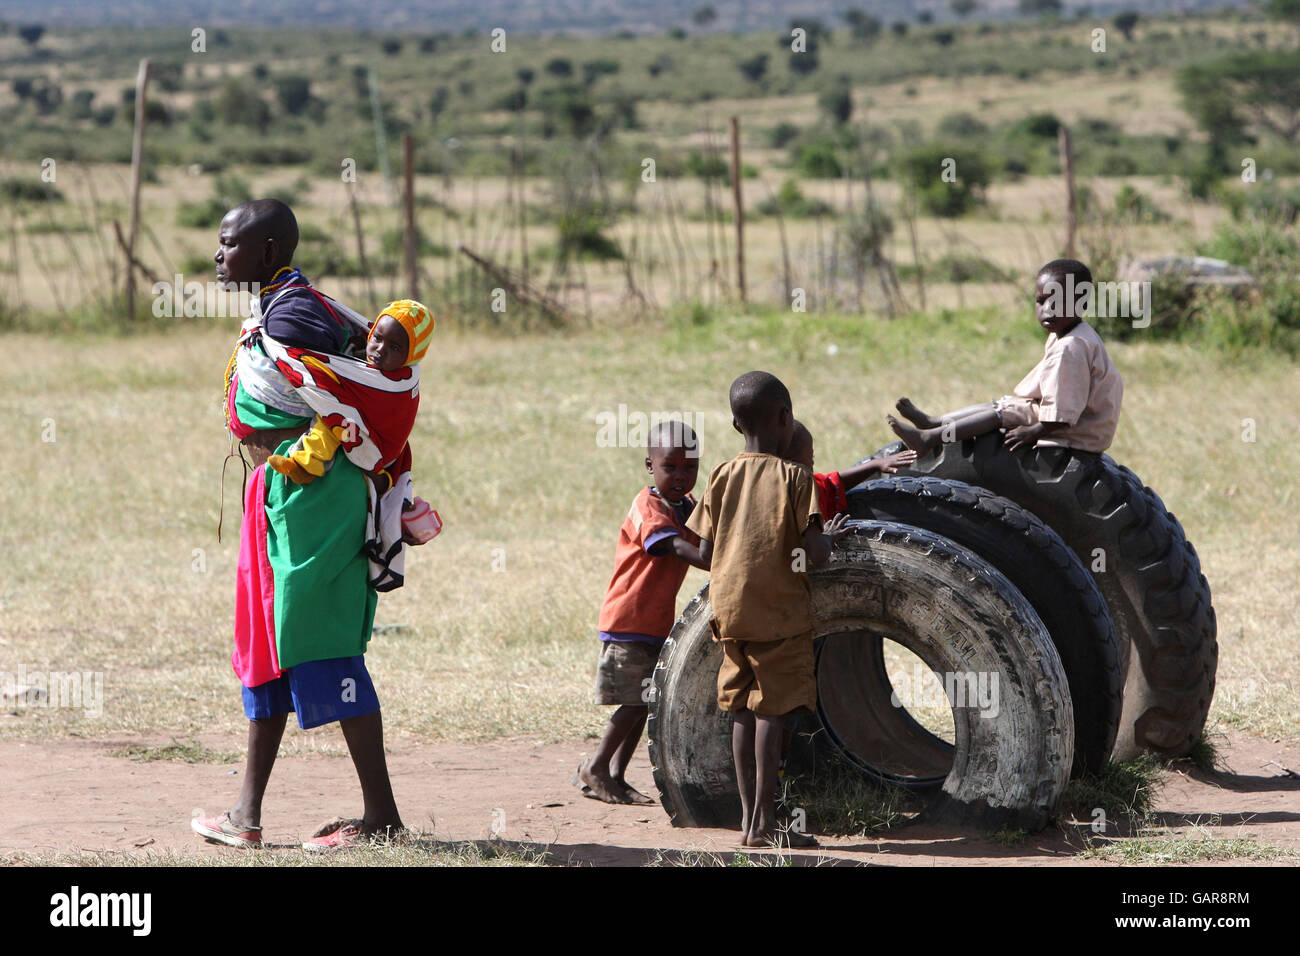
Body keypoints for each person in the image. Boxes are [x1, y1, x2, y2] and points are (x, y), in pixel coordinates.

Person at [193, 198, 405, 852]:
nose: (218, 255)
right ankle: (246, 814)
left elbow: (339, 396)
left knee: (321, 644)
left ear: (266, 252)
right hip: (282, 492)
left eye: (229, 243)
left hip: (315, 495)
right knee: (269, 644)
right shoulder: (279, 307)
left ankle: (383, 817)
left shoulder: (294, 313)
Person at [686, 372, 848, 848]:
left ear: (737, 425)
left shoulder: (720, 474)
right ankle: (765, 823)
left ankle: (746, 820)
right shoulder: (796, 478)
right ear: (785, 419)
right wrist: (831, 538)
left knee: (740, 706)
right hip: (779, 613)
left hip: (730, 611)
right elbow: (815, 554)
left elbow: (704, 552)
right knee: (771, 711)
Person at [578, 421, 707, 805]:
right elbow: (674, 546)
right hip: (629, 620)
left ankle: (615, 776)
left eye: (690, 467)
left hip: (654, 623)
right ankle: (596, 768)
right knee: (635, 701)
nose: (680, 476)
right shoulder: (647, 506)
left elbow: (708, 530)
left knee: (644, 701)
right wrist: (716, 561)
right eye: (670, 467)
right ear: (650, 466)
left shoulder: (688, 507)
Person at [886, 258, 1124, 456]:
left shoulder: (1071, 347)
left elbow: (1063, 413)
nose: (1047, 309)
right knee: (999, 406)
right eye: (1041, 301)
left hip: (1080, 432)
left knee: (1000, 414)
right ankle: (936, 424)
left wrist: (1033, 432)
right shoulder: (1068, 334)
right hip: (1081, 424)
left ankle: (929, 439)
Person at [782, 421, 917, 520]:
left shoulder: (807, 487)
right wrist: (827, 537)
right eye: (810, 458)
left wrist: (875, 464)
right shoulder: (789, 510)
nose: (813, 463)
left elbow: (830, 484)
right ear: (793, 467)